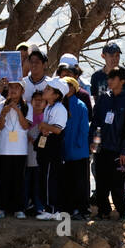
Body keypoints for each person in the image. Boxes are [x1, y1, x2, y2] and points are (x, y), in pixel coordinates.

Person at [90, 67, 125, 219]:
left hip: (116, 150)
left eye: (113, 79)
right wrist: (95, 144)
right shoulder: (103, 99)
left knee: (117, 183)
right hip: (101, 148)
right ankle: (104, 211)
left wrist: (124, 151)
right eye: (108, 78)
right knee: (101, 182)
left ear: (121, 81)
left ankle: (122, 212)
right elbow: (96, 123)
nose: (109, 81)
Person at [0, 81, 28, 218]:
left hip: (20, 148)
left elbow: (25, 126)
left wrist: (18, 110)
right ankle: (1, 207)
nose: (13, 90)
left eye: (17, 87)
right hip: (4, 147)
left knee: (19, 178)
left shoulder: (26, 106)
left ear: (22, 91)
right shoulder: (1, 104)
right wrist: (3, 113)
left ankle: (19, 208)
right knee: (4, 178)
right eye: (11, 87)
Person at [35, 78, 68, 220]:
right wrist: (44, 128)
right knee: (44, 176)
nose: (45, 90)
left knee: (50, 177)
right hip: (47, 145)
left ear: (56, 95)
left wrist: (43, 126)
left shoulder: (60, 109)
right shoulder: (49, 107)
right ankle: (48, 208)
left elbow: (58, 130)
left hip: (54, 146)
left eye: (49, 89)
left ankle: (53, 209)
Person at [61, 76, 91, 218]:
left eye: (67, 85)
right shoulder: (60, 104)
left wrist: (79, 143)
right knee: (67, 181)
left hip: (78, 150)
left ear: (73, 88)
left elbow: (84, 128)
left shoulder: (80, 105)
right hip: (66, 149)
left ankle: (82, 209)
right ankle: (69, 208)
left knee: (80, 182)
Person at [23, 88, 47, 216]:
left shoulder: (46, 117)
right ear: (31, 101)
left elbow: (45, 136)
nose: (38, 103)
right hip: (25, 153)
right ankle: (25, 204)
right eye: (36, 100)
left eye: (41, 100)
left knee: (38, 182)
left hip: (38, 154)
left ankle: (38, 205)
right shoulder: (26, 115)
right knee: (26, 181)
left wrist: (38, 144)